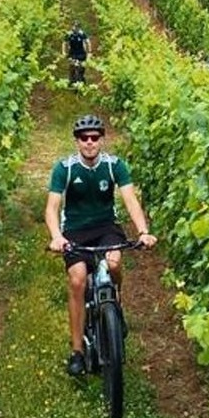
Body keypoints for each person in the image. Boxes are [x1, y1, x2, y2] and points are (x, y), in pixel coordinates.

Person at [45, 114, 158, 376]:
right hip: (75, 230)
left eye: (94, 138)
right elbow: (52, 207)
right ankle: (77, 352)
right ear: (77, 142)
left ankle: (115, 306)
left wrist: (143, 231)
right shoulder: (66, 168)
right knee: (77, 279)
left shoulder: (114, 165)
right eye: (84, 138)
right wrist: (56, 236)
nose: (89, 142)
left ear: (102, 140)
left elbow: (130, 200)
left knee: (115, 262)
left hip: (106, 227)